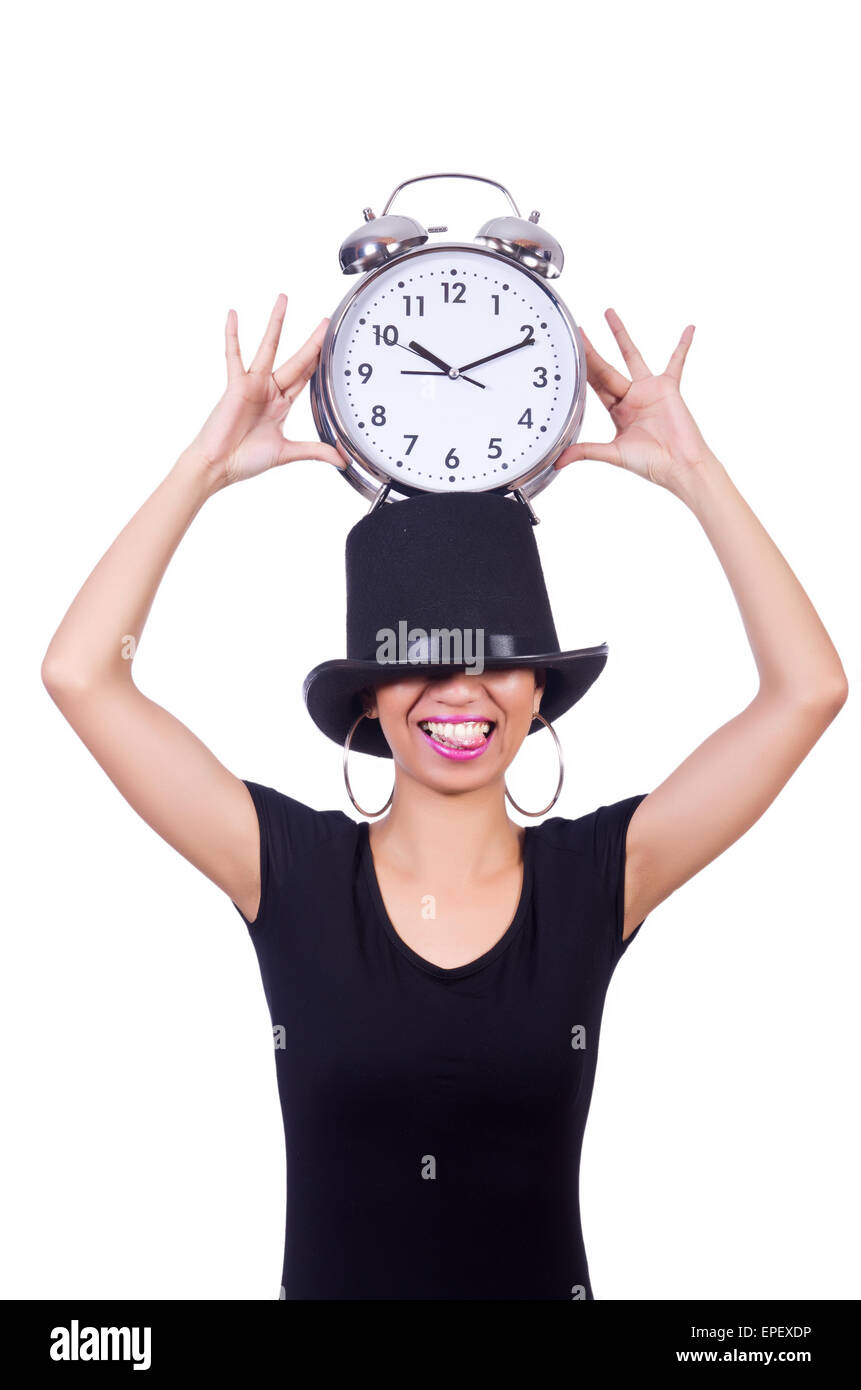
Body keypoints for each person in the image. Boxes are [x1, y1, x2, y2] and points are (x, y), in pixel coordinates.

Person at [41, 293, 848, 1300]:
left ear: (538, 690)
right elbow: (82, 672)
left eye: (497, 655)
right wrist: (201, 471)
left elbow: (810, 690)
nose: (459, 686)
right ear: (370, 699)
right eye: (420, 656)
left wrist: (696, 474)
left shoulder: (602, 877)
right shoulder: (283, 869)